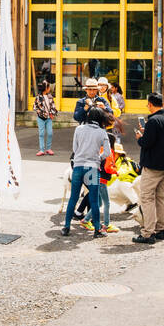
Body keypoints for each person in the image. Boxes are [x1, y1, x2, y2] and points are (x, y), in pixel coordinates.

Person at [133, 93, 164, 244]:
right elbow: (161, 139)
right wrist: (147, 131)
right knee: (160, 197)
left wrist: (140, 137)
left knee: (147, 197)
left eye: (148, 104)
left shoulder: (153, 120)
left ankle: (148, 233)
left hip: (153, 165)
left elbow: (146, 143)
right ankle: (160, 230)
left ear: (151, 104)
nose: (148, 107)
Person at [62, 110, 109, 239]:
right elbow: (107, 152)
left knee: (73, 198)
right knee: (94, 200)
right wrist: (98, 158)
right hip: (92, 168)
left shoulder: (79, 129)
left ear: (88, 116)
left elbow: (75, 149)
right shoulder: (102, 132)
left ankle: (66, 227)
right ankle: (97, 230)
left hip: (78, 167)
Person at [34, 80, 57, 156]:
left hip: (48, 118)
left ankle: (48, 148)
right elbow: (35, 107)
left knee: (50, 133)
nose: (49, 88)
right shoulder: (38, 97)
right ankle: (41, 149)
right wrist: (42, 113)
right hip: (41, 118)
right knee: (41, 134)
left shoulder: (50, 96)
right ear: (45, 88)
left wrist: (52, 113)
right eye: (48, 87)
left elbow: (53, 106)